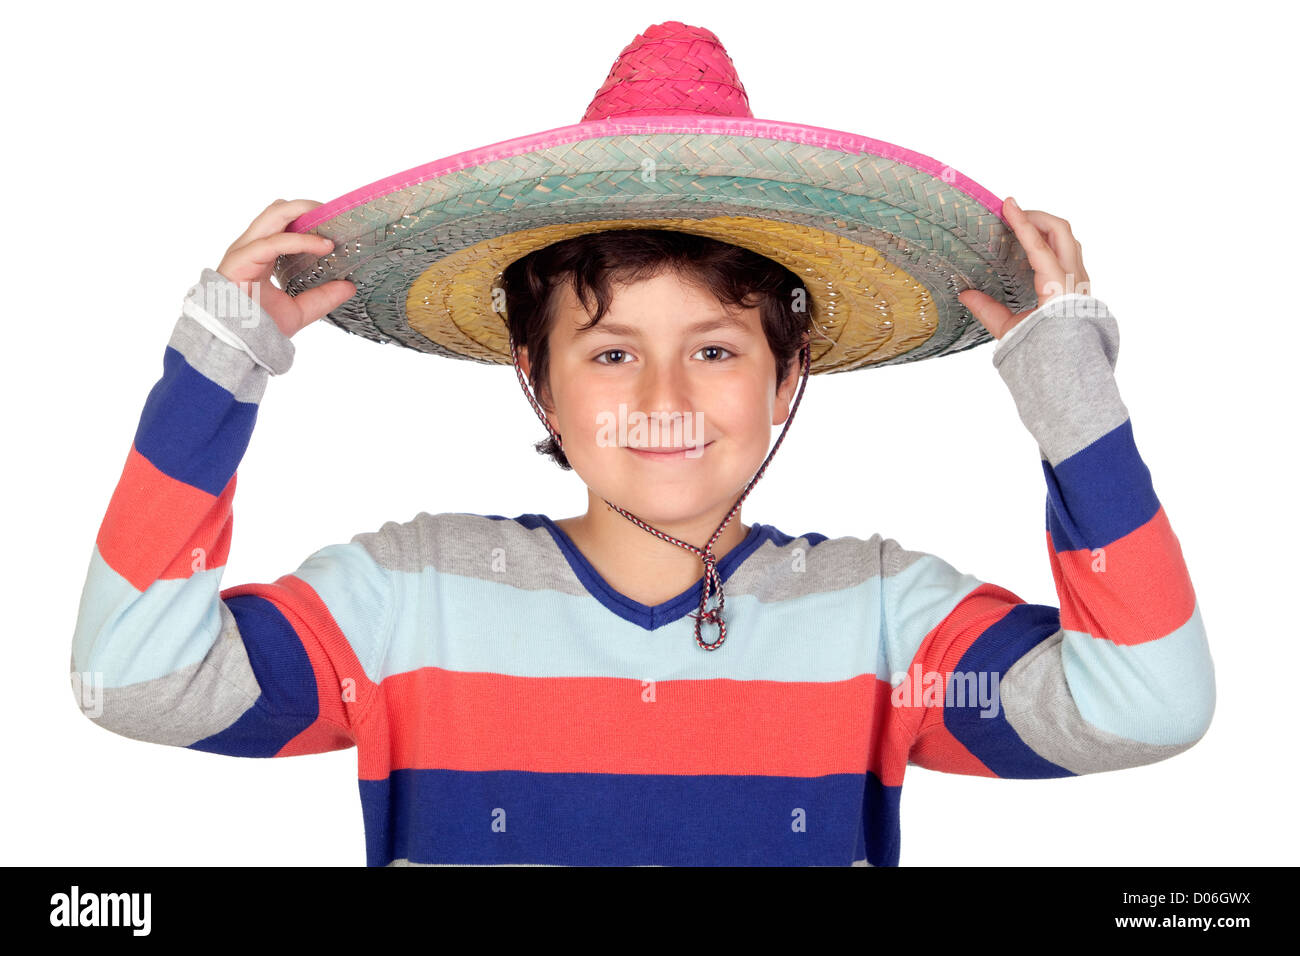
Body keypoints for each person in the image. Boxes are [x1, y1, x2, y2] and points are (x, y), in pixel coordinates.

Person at [69, 19, 1215, 866]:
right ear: (540, 384)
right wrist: (215, 375)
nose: (665, 393)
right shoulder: (405, 596)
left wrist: (1072, 403)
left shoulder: (882, 614)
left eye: (715, 351)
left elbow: (1148, 699)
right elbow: (131, 676)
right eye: (611, 353)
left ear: (787, 378)